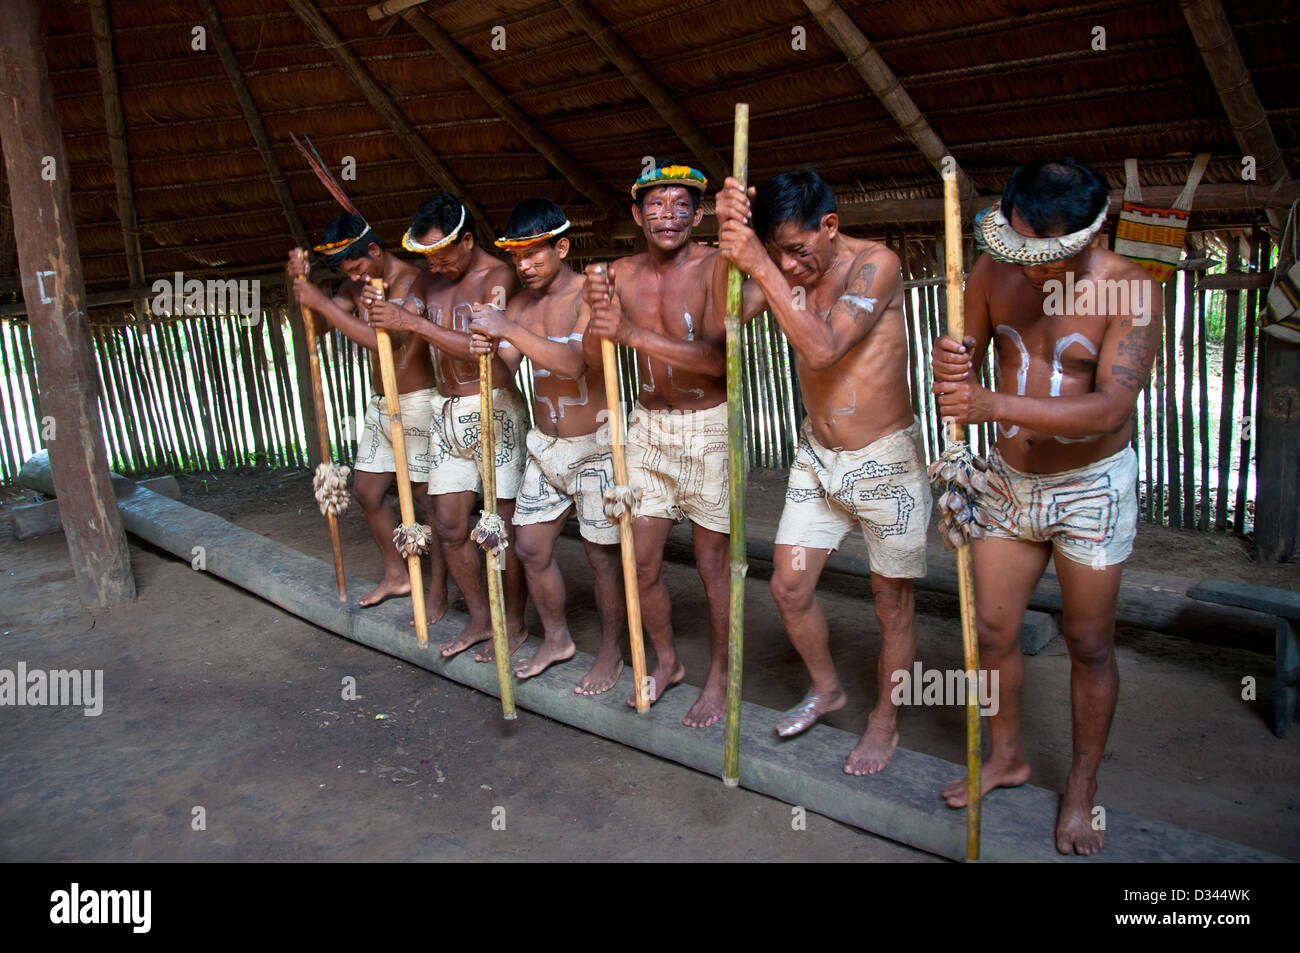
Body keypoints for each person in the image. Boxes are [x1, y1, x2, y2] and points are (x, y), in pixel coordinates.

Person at [930, 158, 1161, 855]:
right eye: (1019, 249)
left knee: (1088, 642)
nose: (1029, 272)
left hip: (1089, 485)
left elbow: (1110, 407)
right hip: (1006, 480)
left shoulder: (1132, 291)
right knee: (995, 632)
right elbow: (962, 359)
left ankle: (1082, 787)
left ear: (1092, 234)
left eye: (1047, 257)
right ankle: (1008, 756)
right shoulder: (989, 270)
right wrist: (951, 363)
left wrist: (992, 402)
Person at [715, 168, 930, 775]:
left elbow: (825, 348)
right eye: (776, 252)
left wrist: (760, 261)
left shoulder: (875, 265)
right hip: (818, 457)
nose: (787, 265)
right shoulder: (784, 269)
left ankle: (885, 719)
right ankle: (827, 686)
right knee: (788, 586)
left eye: (797, 250)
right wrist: (727, 238)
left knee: (891, 606)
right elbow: (722, 318)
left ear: (830, 226)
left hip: (885, 461)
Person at [582, 161, 730, 727]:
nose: (668, 215)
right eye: (657, 204)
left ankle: (719, 676)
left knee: (712, 565)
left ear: (698, 213)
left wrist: (629, 333)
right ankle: (667, 662)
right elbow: (585, 339)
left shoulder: (718, 266)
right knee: (638, 561)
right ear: (637, 214)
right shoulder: (618, 272)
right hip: (648, 428)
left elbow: (718, 358)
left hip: (709, 427)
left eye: (681, 204)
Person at [467, 198, 627, 695]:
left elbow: (574, 363)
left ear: (562, 247)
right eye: (517, 257)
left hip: (599, 444)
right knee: (531, 545)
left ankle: (612, 652)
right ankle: (557, 639)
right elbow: (503, 374)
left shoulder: (589, 295)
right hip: (548, 446)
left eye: (535, 254)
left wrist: (508, 329)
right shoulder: (519, 305)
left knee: (602, 558)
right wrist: (486, 350)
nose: (525, 265)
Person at [366, 194, 527, 662]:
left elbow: (486, 352)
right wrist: (381, 308)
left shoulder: (499, 277)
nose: (436, 263)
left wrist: (412, 322)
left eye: (443, 253)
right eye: (428, 256)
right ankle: (480, 617)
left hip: (494, 407)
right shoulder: (426, 278)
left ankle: (513, 622)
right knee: (451, 525)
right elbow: (396, 330)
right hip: (445, 411)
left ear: (469, 240)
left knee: (503, 526)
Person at [287, 215, 447, 624]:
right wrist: (304, 293)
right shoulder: (351, 286)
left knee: (428, 502)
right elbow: (319, 326)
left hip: (418, 401)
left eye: (357, 267)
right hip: (381, 402)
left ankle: (438, 592)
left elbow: (387, 340)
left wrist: (322, 303)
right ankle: (397, 575)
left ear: (374, 250)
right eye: (346, 273)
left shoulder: (414, 281)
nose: (354, 277)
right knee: (367, 491)